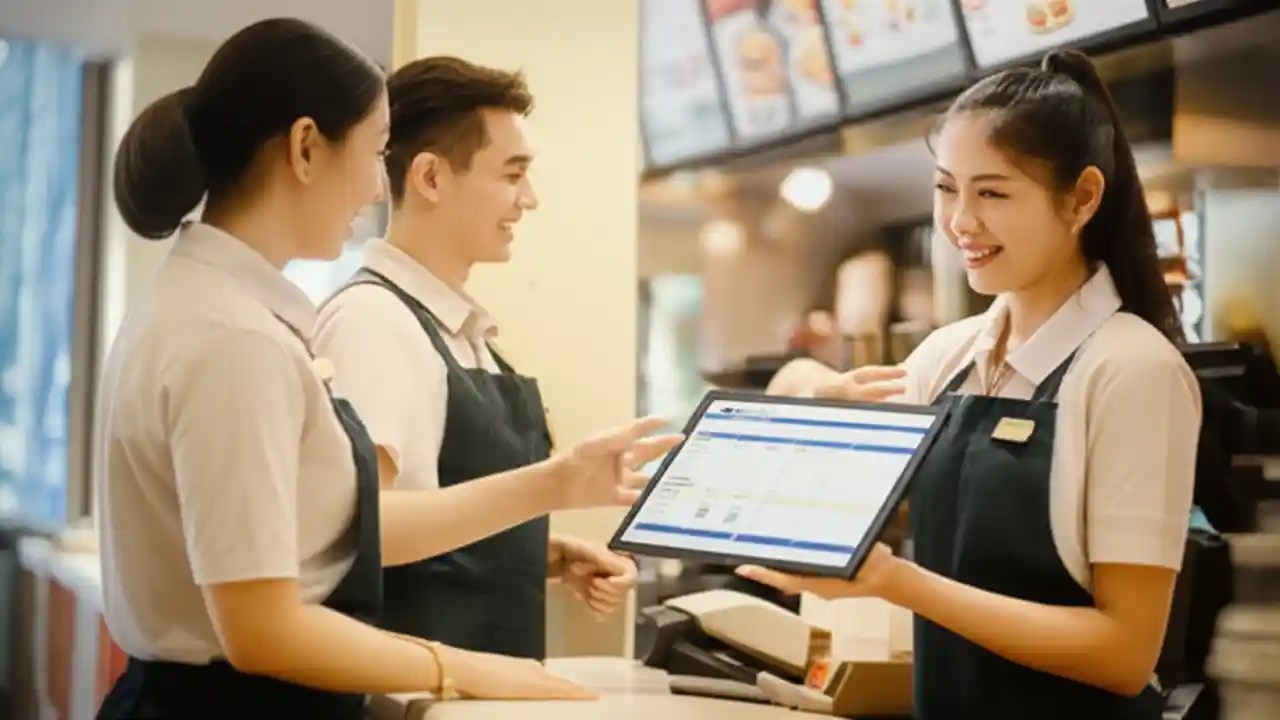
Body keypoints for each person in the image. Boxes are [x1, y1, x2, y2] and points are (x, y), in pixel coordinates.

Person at [95, 19, 679, 720]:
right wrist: (464, 671)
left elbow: (322, 533)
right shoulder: (234, 339)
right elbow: (262, 630)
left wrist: (544, 523)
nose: (378, 187)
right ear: (307, 148)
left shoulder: (212, 308)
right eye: (376, 154)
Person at [741, 50, 1201, 719]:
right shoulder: (949, 356)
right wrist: (819, 393)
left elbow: (1124, 654)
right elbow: (802, 414)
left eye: (992, 192)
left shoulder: (1134, 372)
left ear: (1082, 199)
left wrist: (897, 583)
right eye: (946, 188)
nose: (960, 221)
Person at [311, 57, 636, 660]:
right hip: (410, 694)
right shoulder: (374, 323)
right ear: (431, 177)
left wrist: (536, 551)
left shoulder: (459, 330)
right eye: (513, 175)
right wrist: (550, 485)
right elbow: (364, 532)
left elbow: (435, 513)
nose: (529, 200)